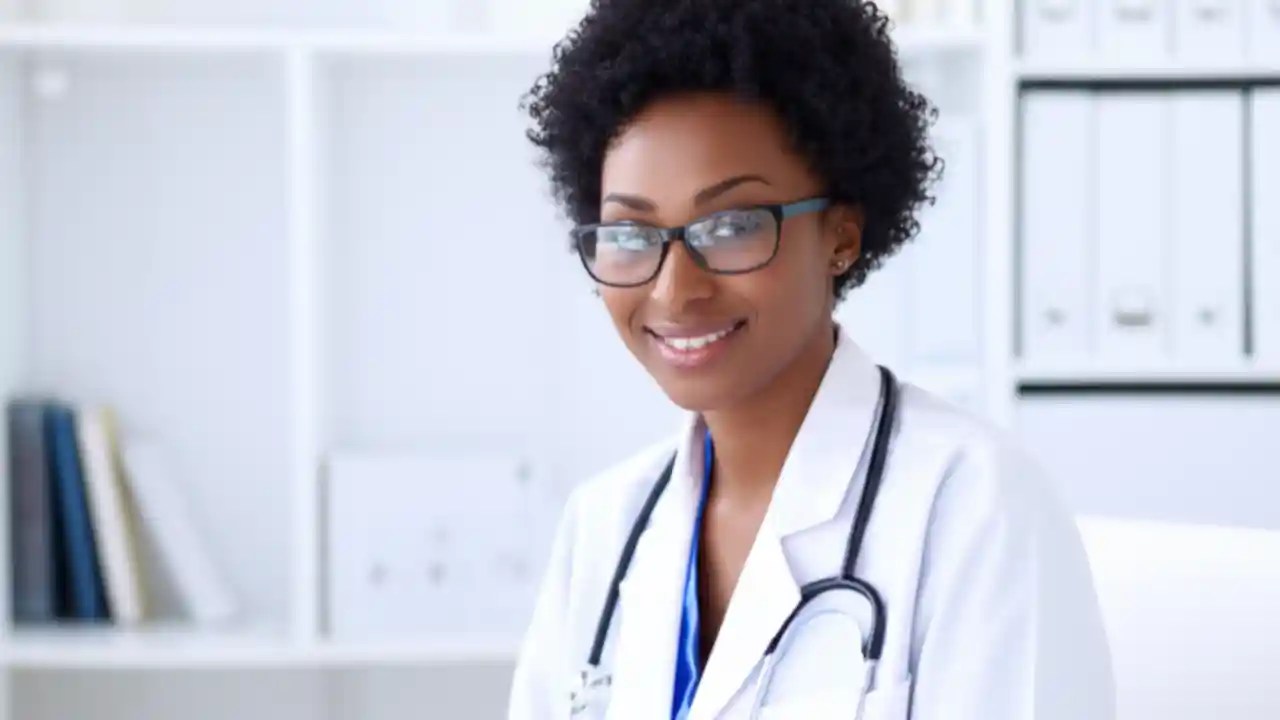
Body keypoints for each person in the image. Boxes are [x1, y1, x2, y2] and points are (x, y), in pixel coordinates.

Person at [509, 1, 1115, 718]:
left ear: (842, 234)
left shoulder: (976, 509)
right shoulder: (604, 526)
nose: (676, 290)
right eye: (631, 234)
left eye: (731, 226)